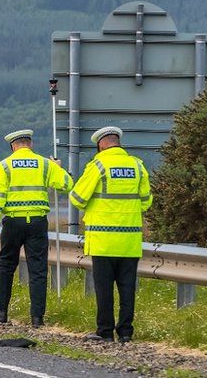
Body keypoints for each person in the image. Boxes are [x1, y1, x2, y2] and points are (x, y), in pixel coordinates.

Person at [70, 126, 152, 343]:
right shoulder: (137, 165)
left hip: (103, 240)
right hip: (130, 240)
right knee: (127, 288)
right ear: (118, 142)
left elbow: (77, 198)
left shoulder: (98, 165)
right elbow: (146, 201)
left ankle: (105, 331)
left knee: (104, 288)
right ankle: (125, 332)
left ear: (100, 144)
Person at [0, 129, 73, 327]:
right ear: (30, 144)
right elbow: (68, 184)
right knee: (38, 269)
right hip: (38, 222)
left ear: (13, 146)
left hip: (13, 222)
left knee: (6, 265)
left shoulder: (4, 165)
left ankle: (0, 312)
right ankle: (37, 318)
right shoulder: (45, 164)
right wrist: (59, 168)